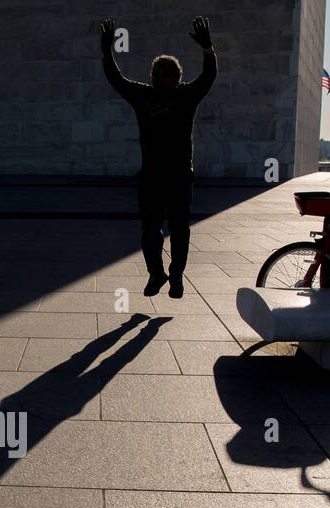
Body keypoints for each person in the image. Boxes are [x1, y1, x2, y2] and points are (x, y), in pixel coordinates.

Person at [101, 16, 217, 298]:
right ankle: (157, 273)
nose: (164, 79)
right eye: (159, 74)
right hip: (152, 175)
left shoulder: (186, 96)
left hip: (179, 175)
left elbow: (208, 77)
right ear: (152, 76)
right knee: (150, 229)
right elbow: (117, 80)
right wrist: (107, 52)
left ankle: (176, 275)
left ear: (178, 79)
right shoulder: (142, 95)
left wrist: (208, 50)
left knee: (179, 228)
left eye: (170, 75)